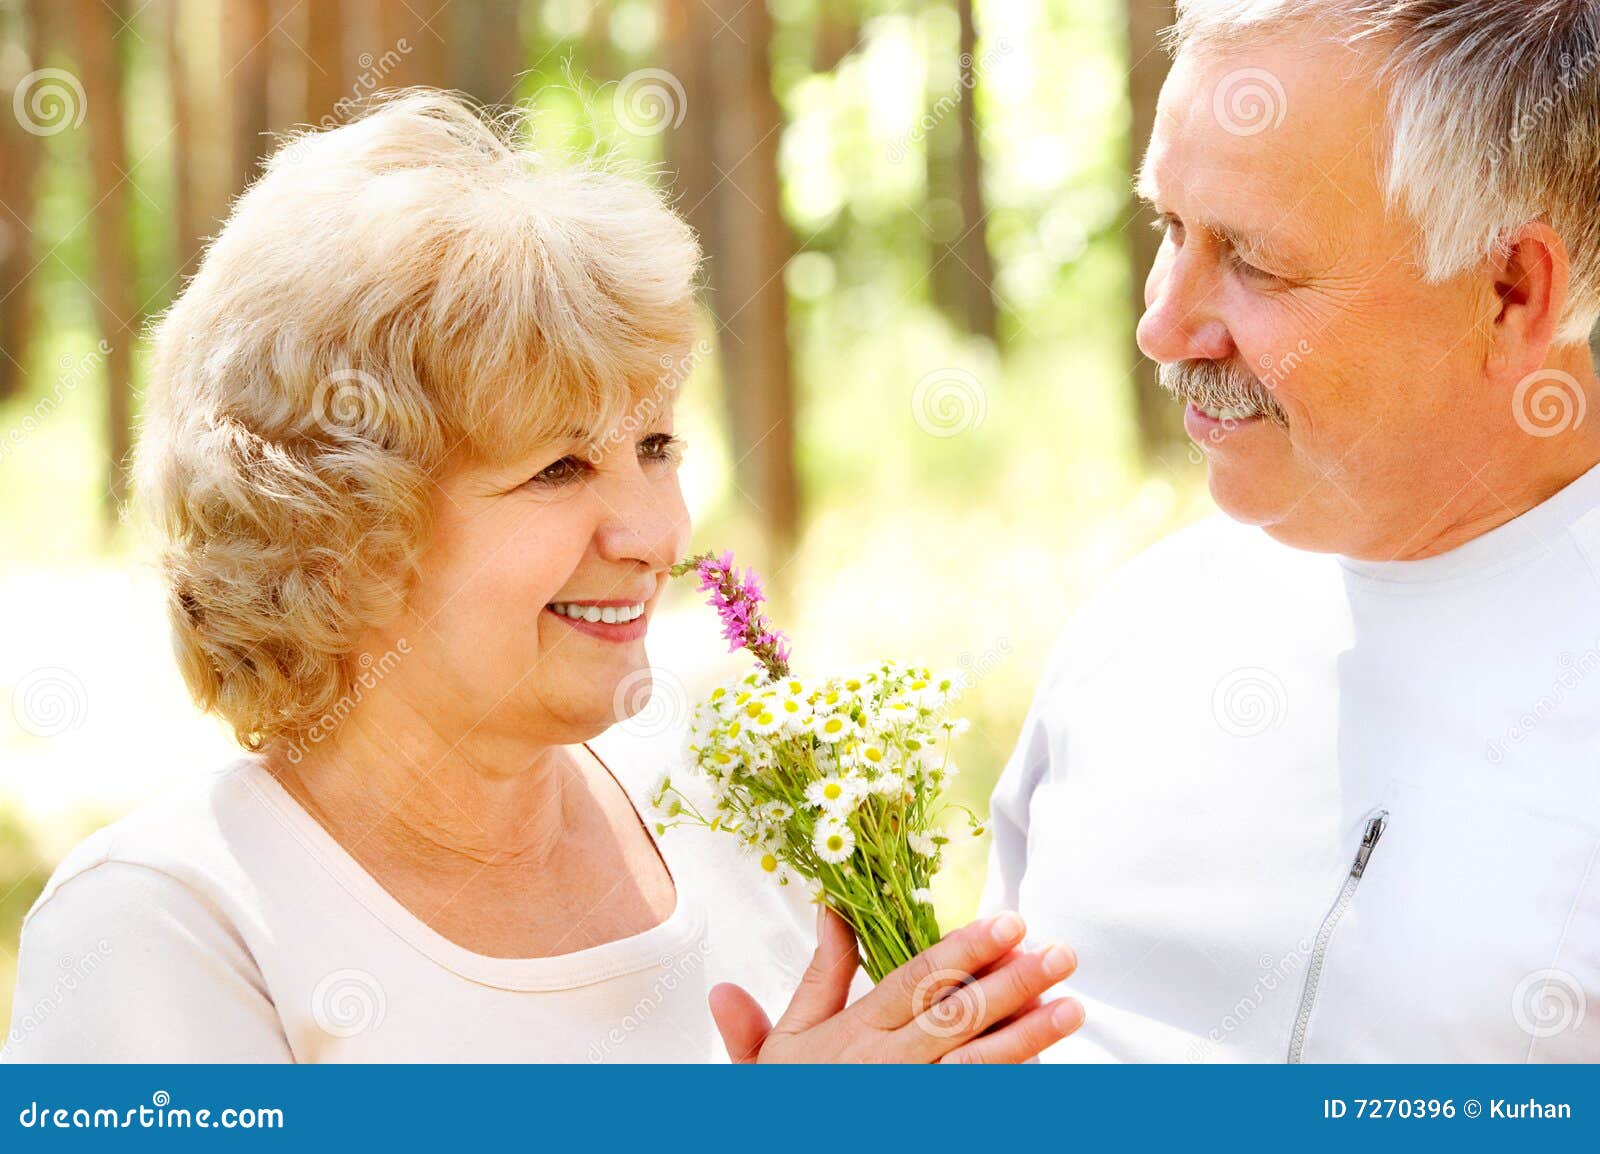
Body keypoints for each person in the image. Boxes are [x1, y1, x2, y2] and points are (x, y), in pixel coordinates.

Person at [2, 91, 1082, 1064]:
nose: (654, 531)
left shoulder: (732, 793)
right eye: (557, 467)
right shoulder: (157, 928)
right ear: (341, 525)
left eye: (656, 447)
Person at [985, 0, 1600, 1062]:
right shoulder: (1140, 625)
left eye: (1255, 262)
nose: (1161, 324)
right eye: (1168, 228)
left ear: (1510, 290)